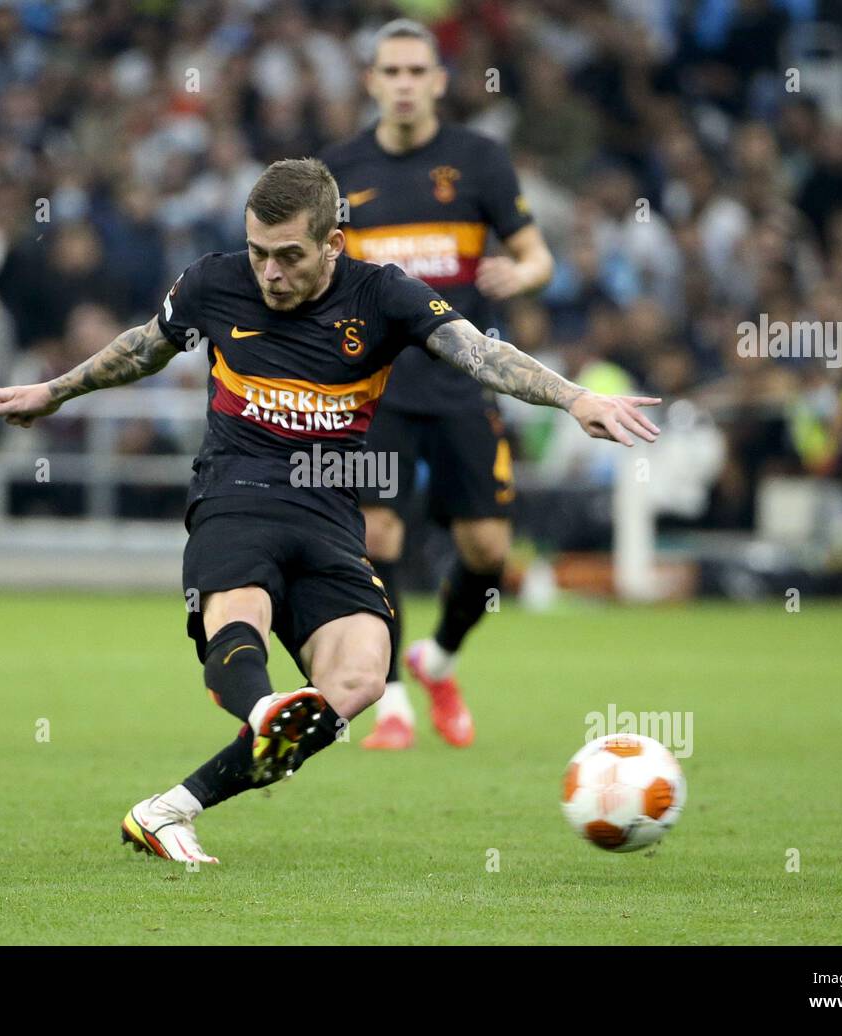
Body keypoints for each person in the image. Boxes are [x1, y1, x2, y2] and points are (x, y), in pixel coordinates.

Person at [0, 158, 659, 864]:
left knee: (361, 675)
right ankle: (264, 707)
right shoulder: (214, 281)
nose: (270, 272)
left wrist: (576, 397)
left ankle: (168, 809)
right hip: (236, 490)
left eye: (290, 256)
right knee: (238, 612)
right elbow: (145, 347)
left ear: (334, 243)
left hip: (330, 505)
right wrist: (52, 391)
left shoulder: (384, 295)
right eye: (259, 253)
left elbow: (479, 354)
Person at [319, 19, 555, 750]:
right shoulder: (337, 171)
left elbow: (537, 254)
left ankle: (438, 658)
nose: (403, 84)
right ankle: (390, 700)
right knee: (378, 532)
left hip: (461, 378)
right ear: (371, 82)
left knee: (487, 550)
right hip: (374, 385)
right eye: (390, 72)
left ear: (438, 81)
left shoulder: (479, 160)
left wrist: (522, 273)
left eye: (416, 71)